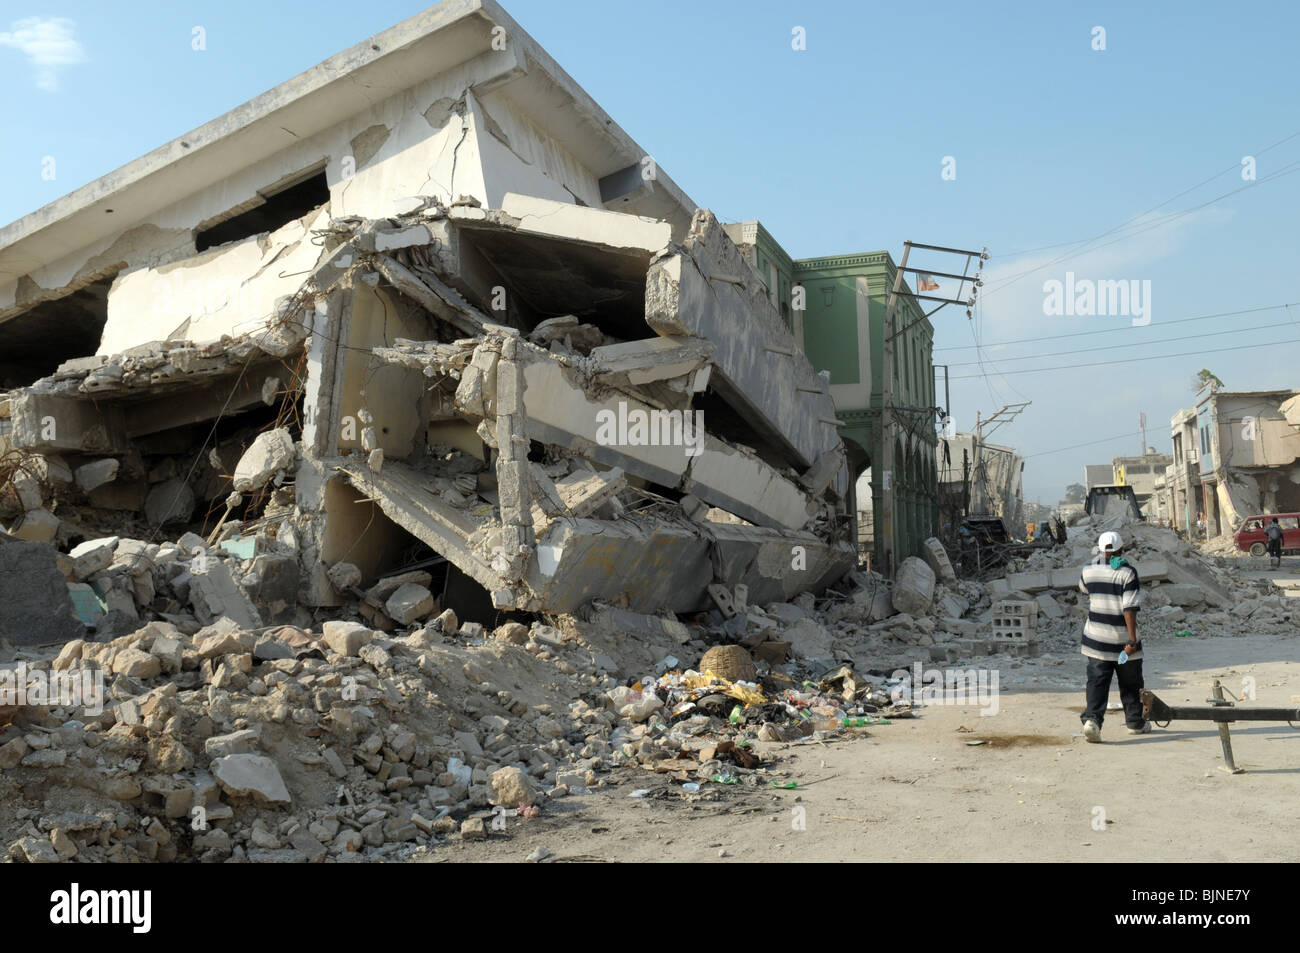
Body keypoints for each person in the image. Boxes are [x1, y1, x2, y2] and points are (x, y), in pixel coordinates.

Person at [1077, 531, 1147, 742]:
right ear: (1121, 550)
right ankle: (1135, 722)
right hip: (1123, 642)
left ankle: (1092, 721)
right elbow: (1130, 608)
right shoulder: (1127, 573)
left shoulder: (1088, 570)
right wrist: (1132, 639)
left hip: (1096, 639)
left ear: (1099, 550)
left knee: (1097, 682)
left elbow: (1083, 589)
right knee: (1130, 683)